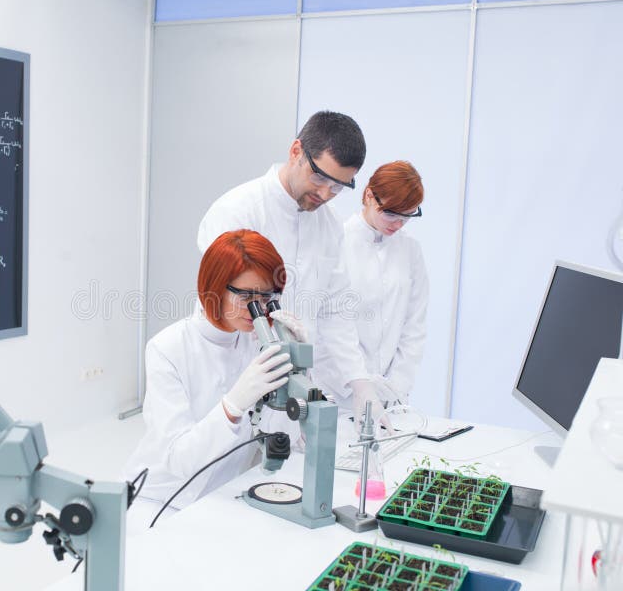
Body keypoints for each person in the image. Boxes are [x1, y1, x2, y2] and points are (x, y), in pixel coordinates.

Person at [197, 110, 374, 417]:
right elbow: (222, 308)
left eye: (338, 187)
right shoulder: (237, 211)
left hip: (294, 390)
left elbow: (334, 309)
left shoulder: (330, 226)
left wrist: (359, 382)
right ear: (296, 152)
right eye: (319, 177)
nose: (325, 193)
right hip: (236, 386)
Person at [124, 229, 299, 533]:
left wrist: (298, 370)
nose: (256, 308)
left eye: (266, 297)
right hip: (160, 499)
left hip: (223, 494)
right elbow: (180, 461)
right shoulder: (167, 348)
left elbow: (283, 440)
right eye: (246, 297)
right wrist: (231, 407)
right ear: (215, 288)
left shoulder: (256, 342)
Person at [342, 161, 428, 413]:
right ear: (369, 195)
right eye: (391, 214)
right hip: (340, 395)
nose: (398, 224)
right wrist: (359, 383)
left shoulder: (410, 250)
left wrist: (397, 387)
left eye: (407, 216)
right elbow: (333, 328)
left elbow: (414, 325)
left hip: (393, 397)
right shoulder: (338, 241)